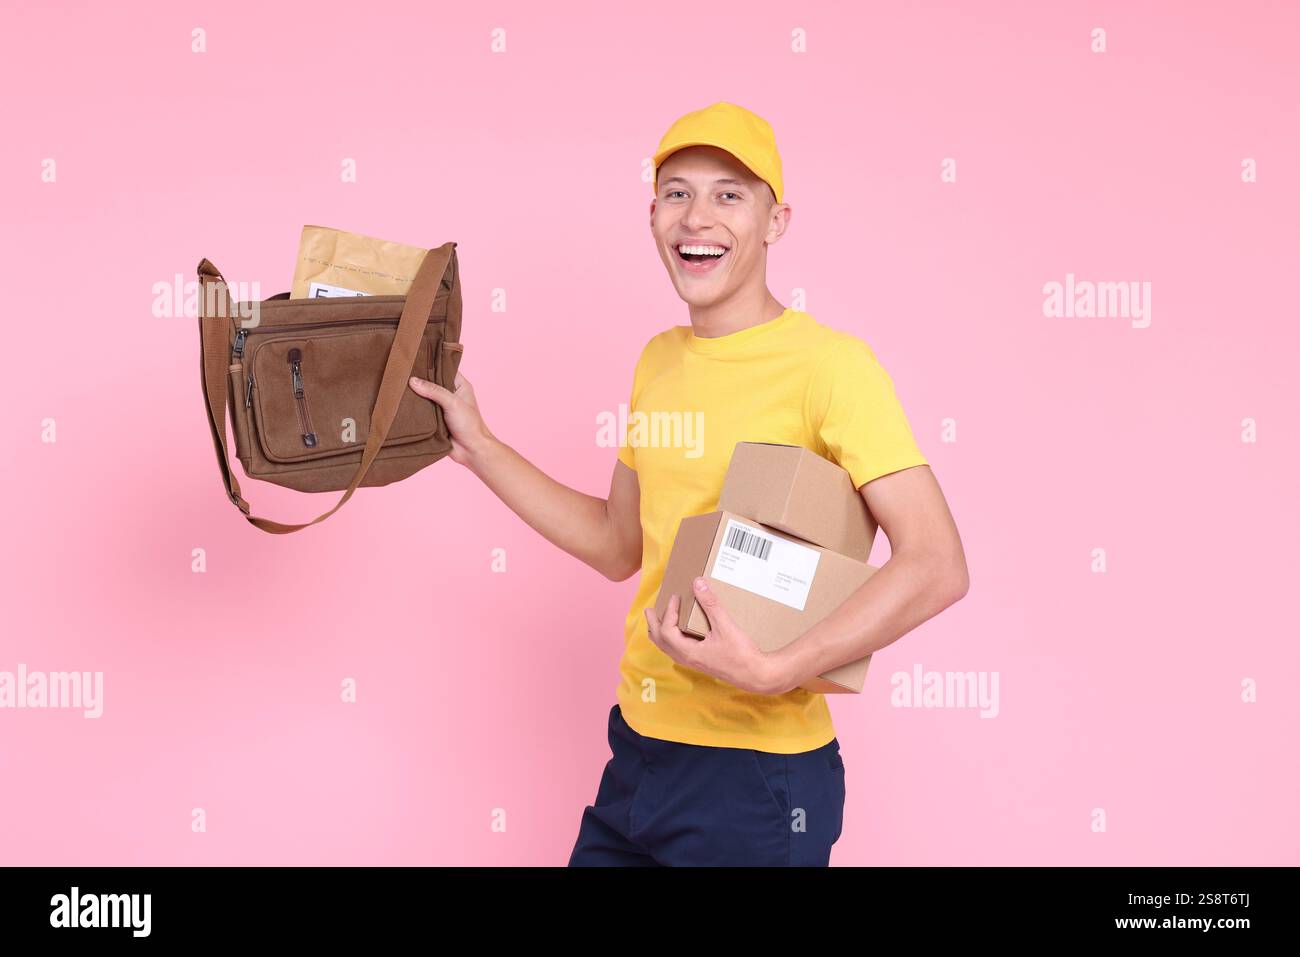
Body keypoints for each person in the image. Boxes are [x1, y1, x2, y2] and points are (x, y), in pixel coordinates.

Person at [408, 101, 969, 866]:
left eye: (728, 194)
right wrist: (481, 446)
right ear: (653, 217)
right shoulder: (659, 360)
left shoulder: (832, 367)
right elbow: (617, 543)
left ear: (776, 222)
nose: (696, 216)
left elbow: (937, 562)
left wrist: (779, 668)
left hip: (758, 778)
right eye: (676, 193)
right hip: (639, 751)